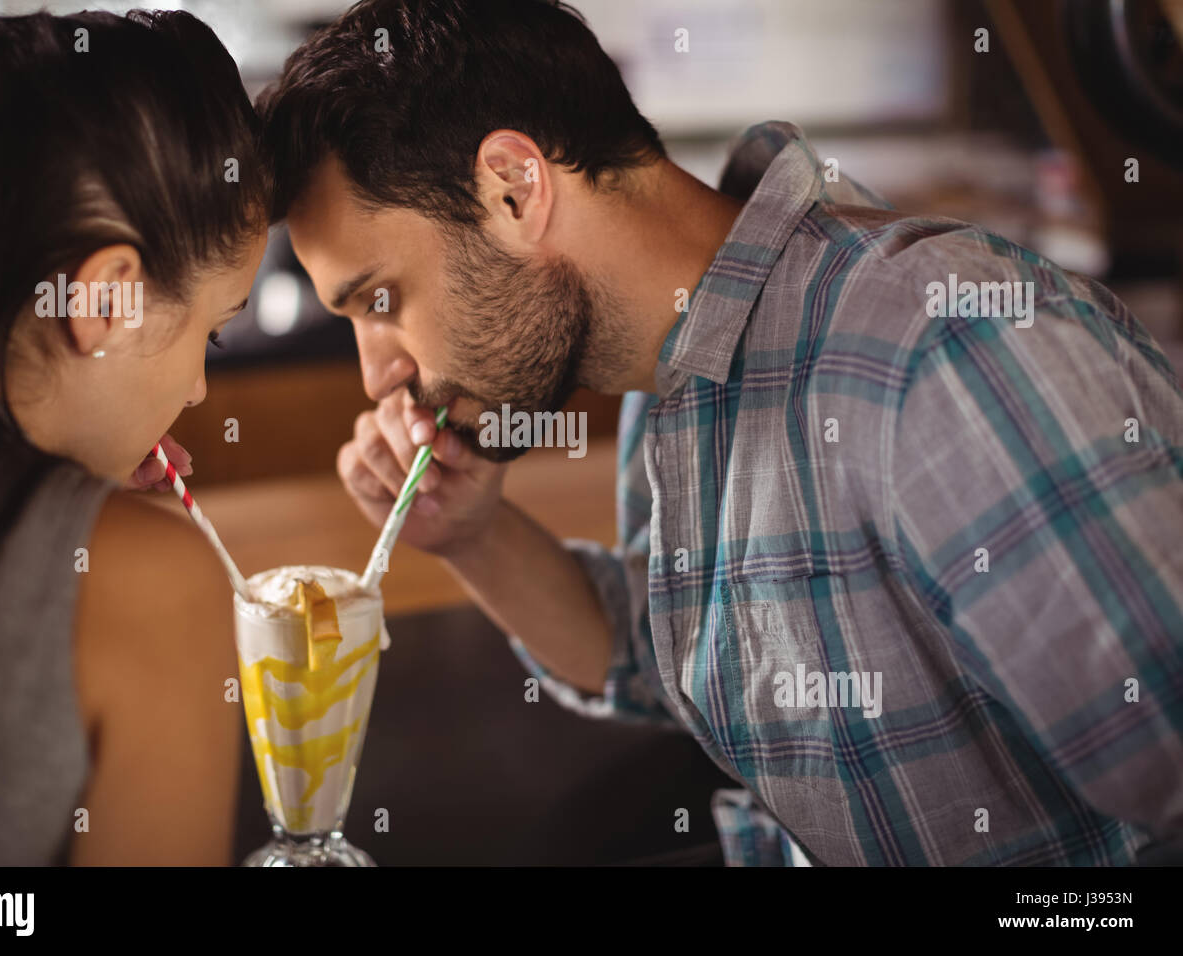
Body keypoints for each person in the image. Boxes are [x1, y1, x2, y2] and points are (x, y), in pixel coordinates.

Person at [258, 0, 1183, 865]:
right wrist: (475, 538)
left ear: (512, 187)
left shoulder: (937, 355)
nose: (378, 373)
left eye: (380, 300)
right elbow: (678, 662)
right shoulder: (670, 375)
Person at [0, 10, 271, 864]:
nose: (200, 390)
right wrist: (114, 547)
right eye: (209, 333)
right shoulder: (150, 588)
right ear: (105, 302)